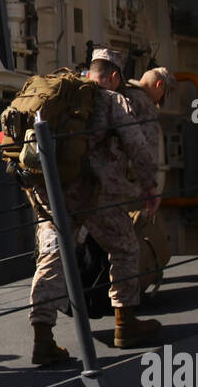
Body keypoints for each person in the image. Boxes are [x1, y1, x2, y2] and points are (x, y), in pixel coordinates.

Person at [27, 48, 161, 361]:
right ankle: (125, 324)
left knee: (51, 256)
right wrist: (149, 186)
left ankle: (42, 338)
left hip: (53, 190)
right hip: (97, 193)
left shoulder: (58, 93)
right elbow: (137, 146)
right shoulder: (112, 99)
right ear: (115, 75)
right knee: (125, 247)